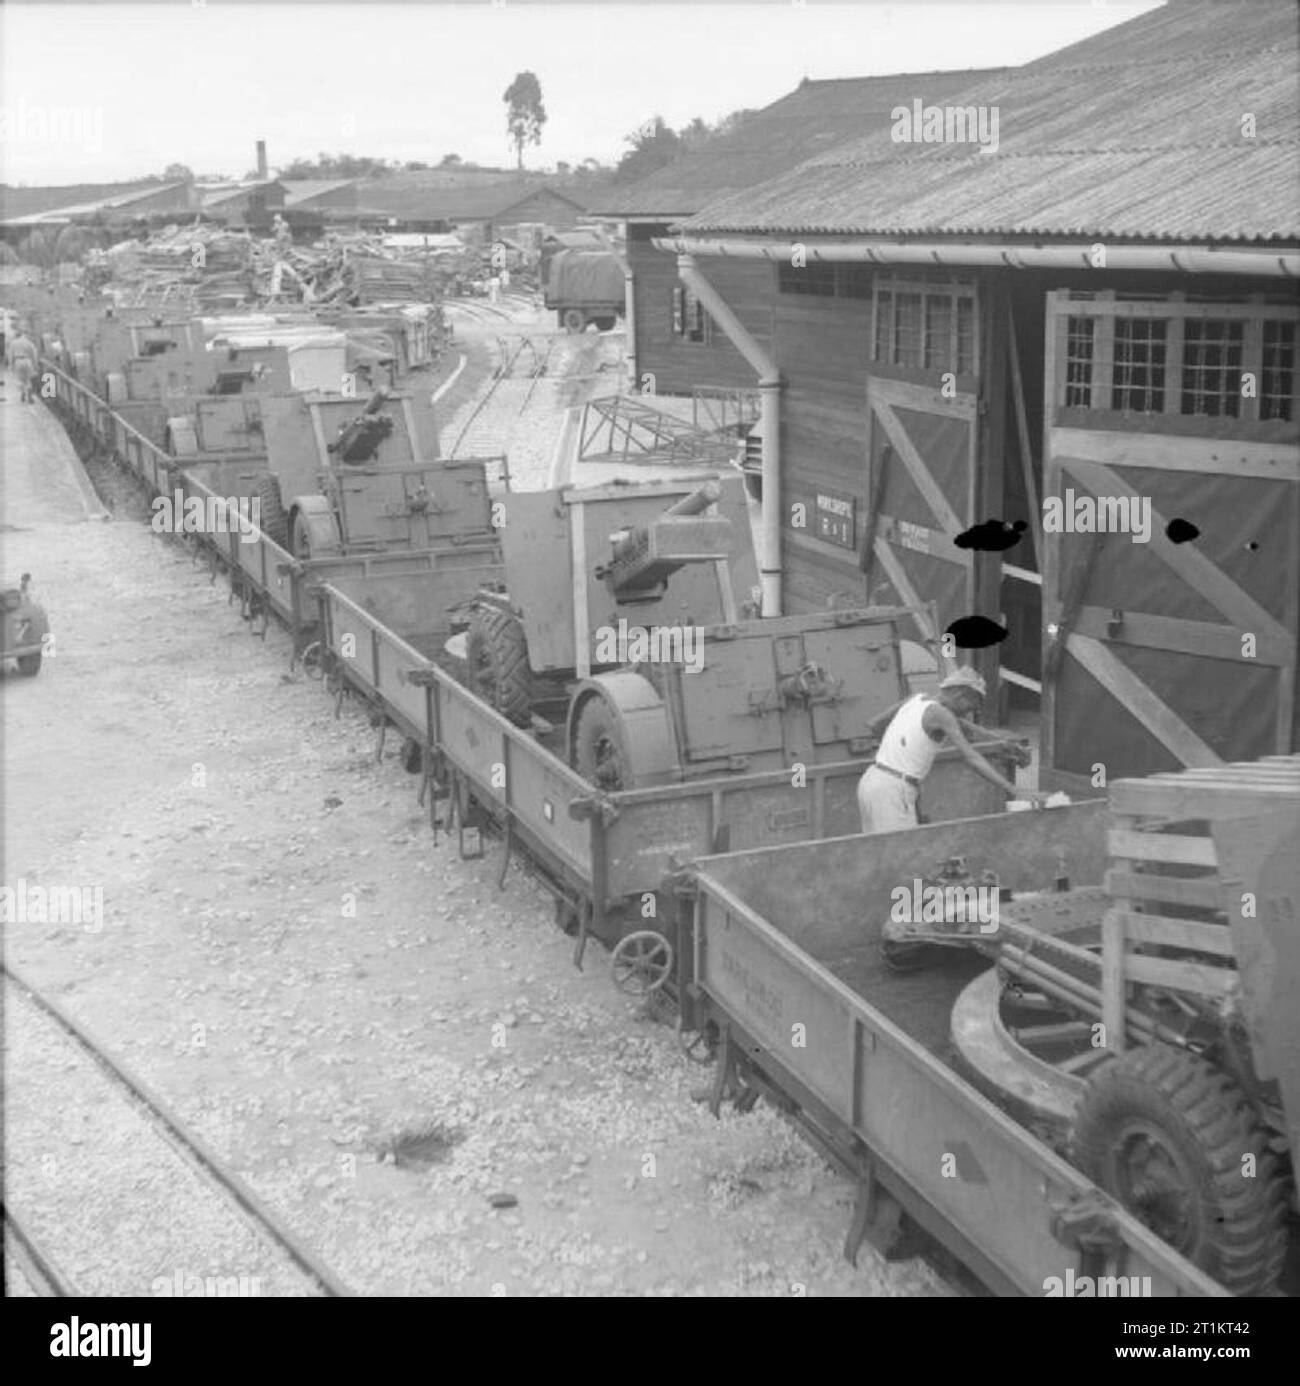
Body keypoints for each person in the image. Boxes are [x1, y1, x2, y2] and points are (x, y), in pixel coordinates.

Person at [857, 666, 1047, 834]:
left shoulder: (916, 699)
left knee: (878, 853)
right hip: (893, 790)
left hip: (872, 780)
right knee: (903, 857)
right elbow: (972, 758)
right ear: (960, 695)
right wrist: (1016, 790)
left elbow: (874, 724)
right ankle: (915, 874)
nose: (969, 712)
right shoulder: (941, 714)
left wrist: (898, 751)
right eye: (971, 706)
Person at [8, 326, 38, 404]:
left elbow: (10, 355)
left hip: (18, 361)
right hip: (27, 361)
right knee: (28, 379)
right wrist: (35, 365)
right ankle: (29, 396)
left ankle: (23, 392)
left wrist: (11, 365)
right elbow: (34, 354)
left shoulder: (13, 343)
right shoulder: (29, 342)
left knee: (21, 379)